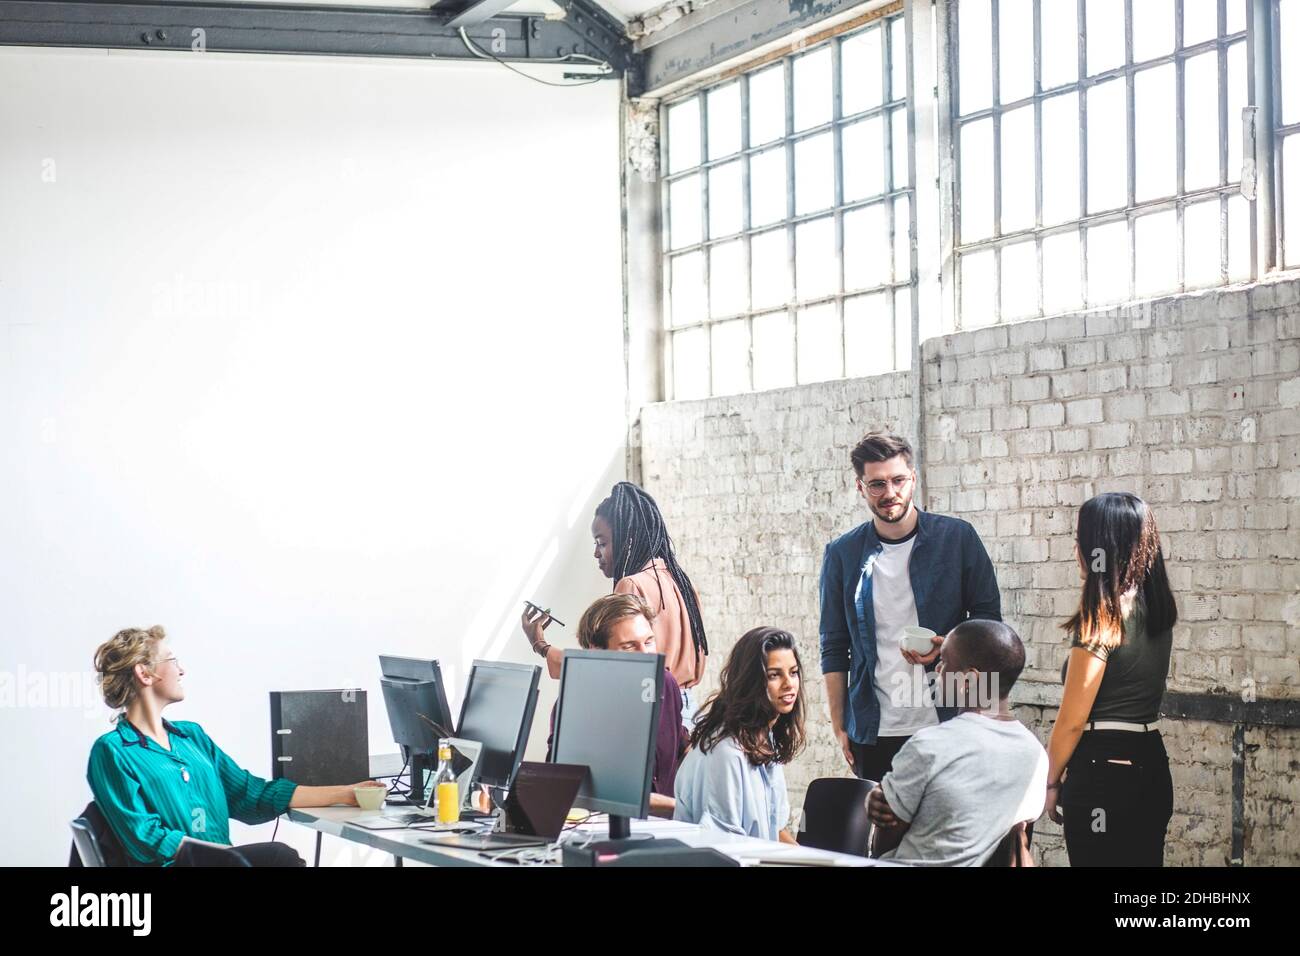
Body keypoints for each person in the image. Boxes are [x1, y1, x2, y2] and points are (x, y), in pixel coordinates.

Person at [87, 626, 380, 866]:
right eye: (172, 660)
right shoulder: (112, 751)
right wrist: (223, 859)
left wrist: (347, 794)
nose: (182, 670)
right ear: (145, 673)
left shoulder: (191, 737)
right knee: (279, 858)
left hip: (220, 864)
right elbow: (146, 838)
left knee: (279, 858)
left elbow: (249, 794)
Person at [819, 431, 1002, 784]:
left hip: (952, 718)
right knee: (887, 837)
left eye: (898, 480)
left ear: (913, 479)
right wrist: (840, 724)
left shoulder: (957, 538)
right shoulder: (842, 554)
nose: (890, 493)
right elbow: (833, 644)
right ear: (860, 487)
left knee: (955, 831)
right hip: (877, 728)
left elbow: (990, 625)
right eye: (876, 485)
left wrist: (948, 645)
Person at [1047, 493, 1177, 866]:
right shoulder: (1156, 608)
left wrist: (1051, 780)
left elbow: (1071, 721)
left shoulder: (1101, 617)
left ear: (1094, 548)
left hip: (1103, 773)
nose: (1075, 548)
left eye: (1080, 538)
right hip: (1151, 764)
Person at [866, 620, 1048, 865]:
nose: (938, 670)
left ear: (969, 680)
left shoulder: (929, 747)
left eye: (944, 663)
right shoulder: (1036, 756)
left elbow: (881, 846)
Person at [522, 481, 708, 720]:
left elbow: (598, 667)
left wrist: (539, 643)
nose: (596, 553)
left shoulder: (631, 585)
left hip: (654, 709)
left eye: (602, 542)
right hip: (689, 711)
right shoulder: (681, 581)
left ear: (627, 539)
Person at [544, 594, 690, 816]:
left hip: (667, 828)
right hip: (601, 830)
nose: (646, 654)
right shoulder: (574, 705)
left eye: (649, 641)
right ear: (596, 651)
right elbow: (564, 787)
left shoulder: (665, 683)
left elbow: (679, 741)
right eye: (629, 646)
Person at [673, 627, 805, 843]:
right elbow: (725, 848)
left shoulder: (765, 739)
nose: (789, 684)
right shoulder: (726, 751)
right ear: (751, 681)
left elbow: (776, 832)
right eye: (774, 675)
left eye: (793, 672)